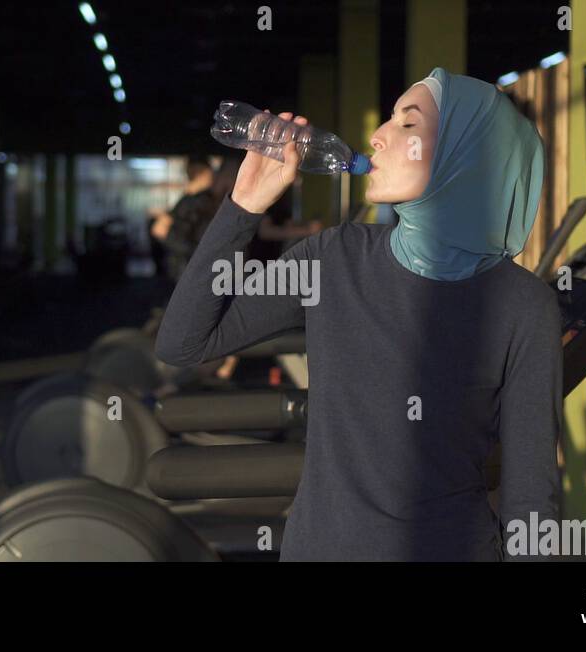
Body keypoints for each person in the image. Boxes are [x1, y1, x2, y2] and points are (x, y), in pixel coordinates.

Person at [155, 68, 562, 562]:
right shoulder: (334, 258)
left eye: (407, 125)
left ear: (468, 154)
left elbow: (531, 495)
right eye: (388, 119)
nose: (379, 136)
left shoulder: (523, 304)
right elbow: (183, 342)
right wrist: (243, 207)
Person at [149, 156, 217, 283]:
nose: (213, 175)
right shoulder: (193, 201)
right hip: (190, 270)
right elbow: (160, 230)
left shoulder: (196, 200)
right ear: (201, 172)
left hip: (192, 268)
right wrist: (197, 254)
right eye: (209, 170)